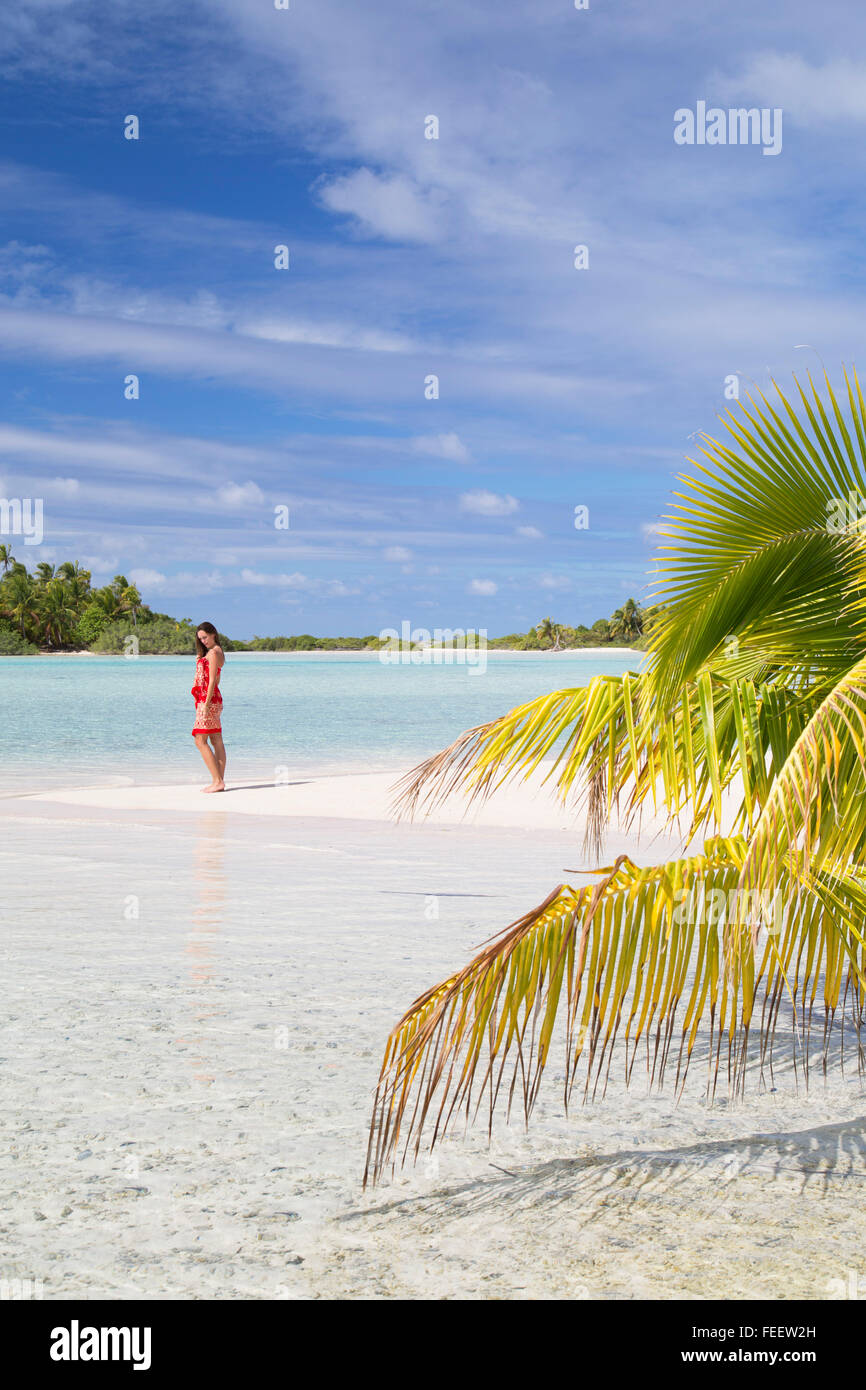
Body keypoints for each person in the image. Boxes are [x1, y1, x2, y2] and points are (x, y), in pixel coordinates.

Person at [191, 622, 226, 792]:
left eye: (205, 637)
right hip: (213, 699)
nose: (203, 641)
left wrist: (205, 703)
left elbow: (212, 680)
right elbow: (216, 678)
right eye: (200, 639)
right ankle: (219, 781)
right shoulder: (218, 651)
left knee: (200, 740)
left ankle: (217, 780)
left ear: (213, 634)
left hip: (209, 700)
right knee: (216, 739)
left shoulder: (213, 653)